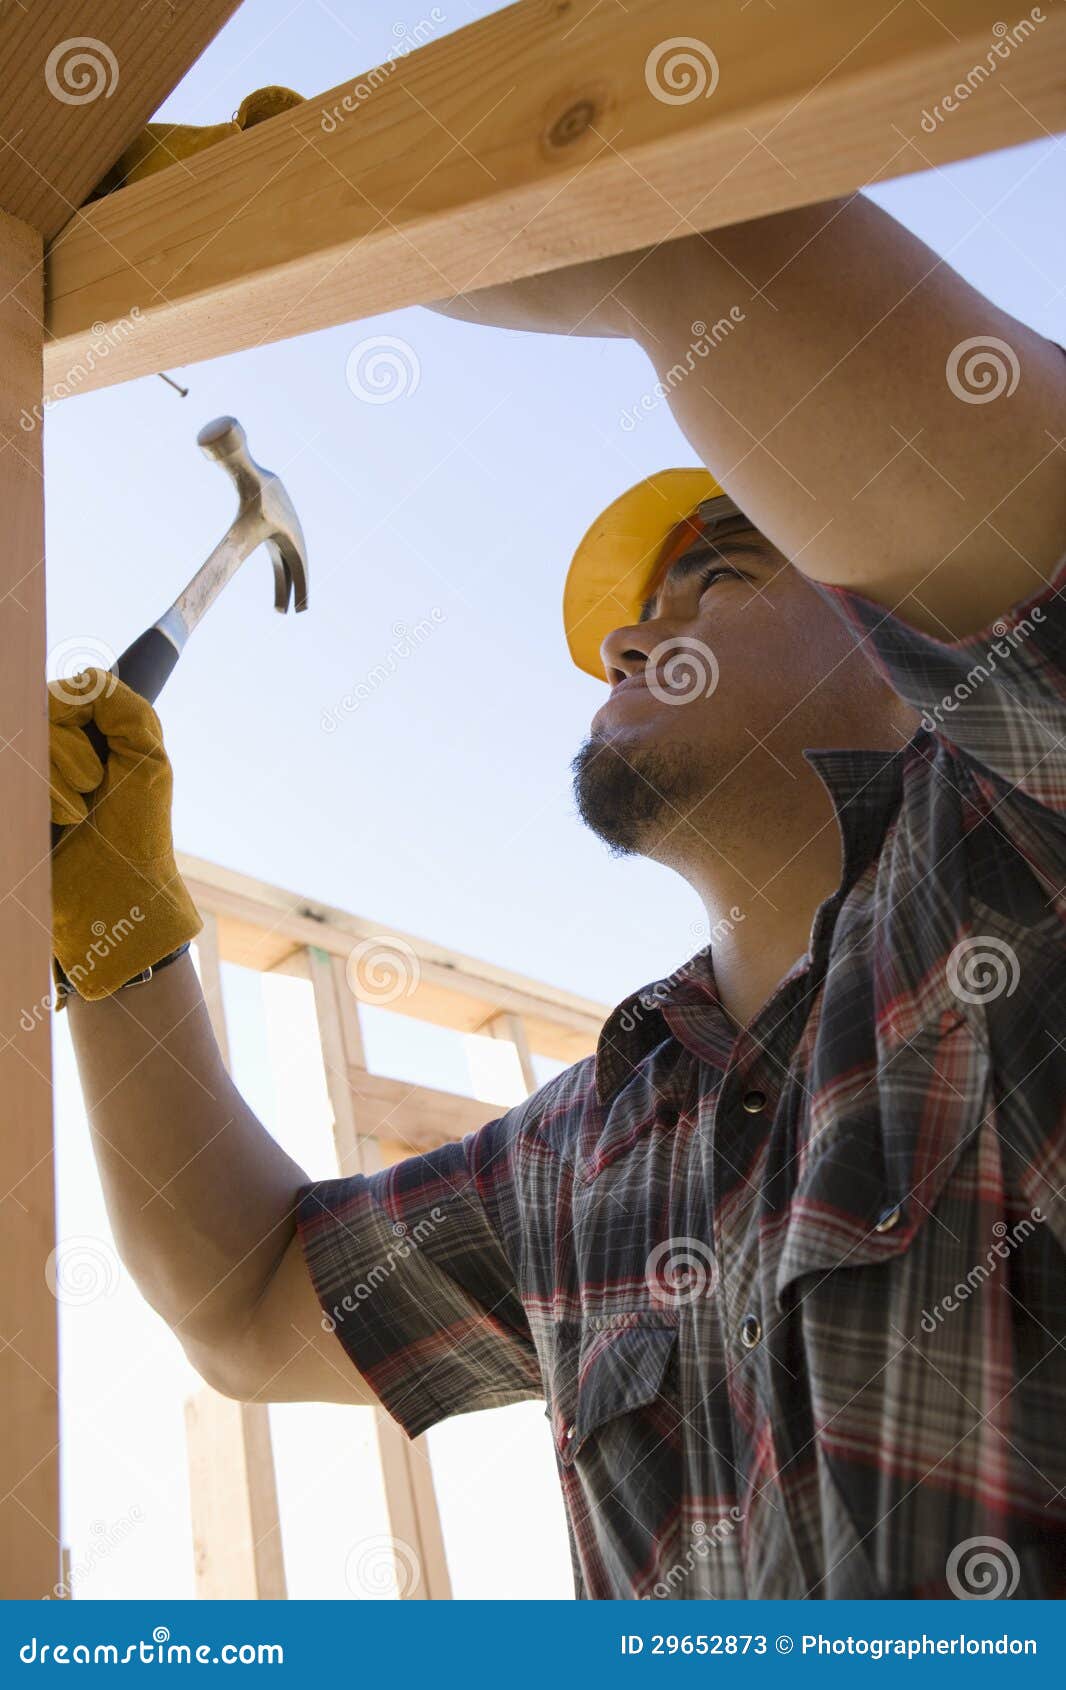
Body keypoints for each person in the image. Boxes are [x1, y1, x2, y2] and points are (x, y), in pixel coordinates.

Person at [50, 196, 1066, 1599]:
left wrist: (457, 197)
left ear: (889, 623)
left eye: (718, 574)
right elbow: (243, 1300)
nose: (629, 636)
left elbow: (1004, 507)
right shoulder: (582, 1156)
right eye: (625, 623)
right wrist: (119, 932)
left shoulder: (1019, 874)